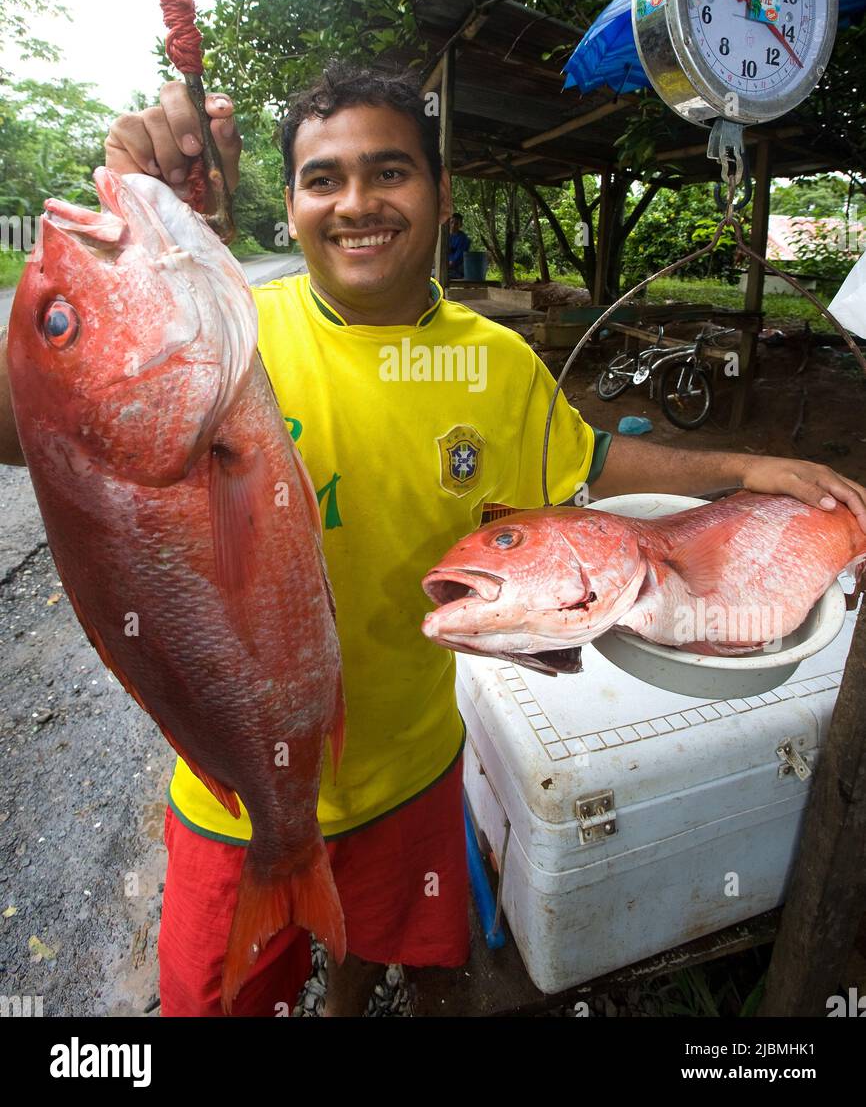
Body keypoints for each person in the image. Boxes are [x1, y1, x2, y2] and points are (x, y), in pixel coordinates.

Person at [1, 61, 865, 1019]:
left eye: (390, 172)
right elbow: (42, 417)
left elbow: (590, 464)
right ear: (287, 205)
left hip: (414, 772)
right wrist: (148, 216)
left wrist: (744, 468)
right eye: (321, 179)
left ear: (444, 195)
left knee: (375, 950)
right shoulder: (234, 333)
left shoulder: (495, 362)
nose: (356, 202)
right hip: (239, 798)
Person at [447, 212, 471, 278]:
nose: (453, 225)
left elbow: (456, 261)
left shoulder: (464, 239)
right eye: (451, 222)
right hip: (443, 268)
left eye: (456, 223)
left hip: (456, 271)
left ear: (461, 225)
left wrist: (442, 266)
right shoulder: (444, 237)